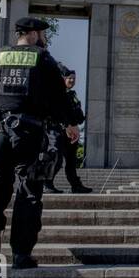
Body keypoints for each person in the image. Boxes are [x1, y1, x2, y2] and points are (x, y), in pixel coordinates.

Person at [0, 17, 79, 269]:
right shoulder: (42, 58)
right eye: (42, 34)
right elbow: (59, 96)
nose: (44, 39)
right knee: (29, 190)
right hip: (29, 133)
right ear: (34, 34)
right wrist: (69, 123)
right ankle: (21, 254)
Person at [47, 66, 90, 194]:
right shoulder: (57, 94)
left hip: (72, 134)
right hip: (59, 131)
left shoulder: (73, 95)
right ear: (63, 79)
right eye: (69, 78)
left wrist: (82, 117)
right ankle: (47, 183)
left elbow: (76, 113)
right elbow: (56, 113)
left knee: (71, 162)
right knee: (57, 159)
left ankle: (76, 185)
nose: (72, 81)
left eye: (74, 79)